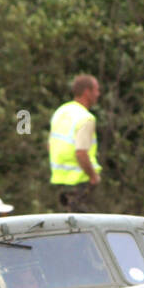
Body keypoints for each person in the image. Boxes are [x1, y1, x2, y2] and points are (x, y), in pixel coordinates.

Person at [49, 75, 102, 211]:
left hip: (59, 181)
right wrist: (93, 176)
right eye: (96, 90)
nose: (98, 94)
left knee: (62, 221)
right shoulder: (86, 118)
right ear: (87, 92)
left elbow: (50, 145)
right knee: (84, 222)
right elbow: (81, 153)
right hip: (79, 183)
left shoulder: (61, 112)